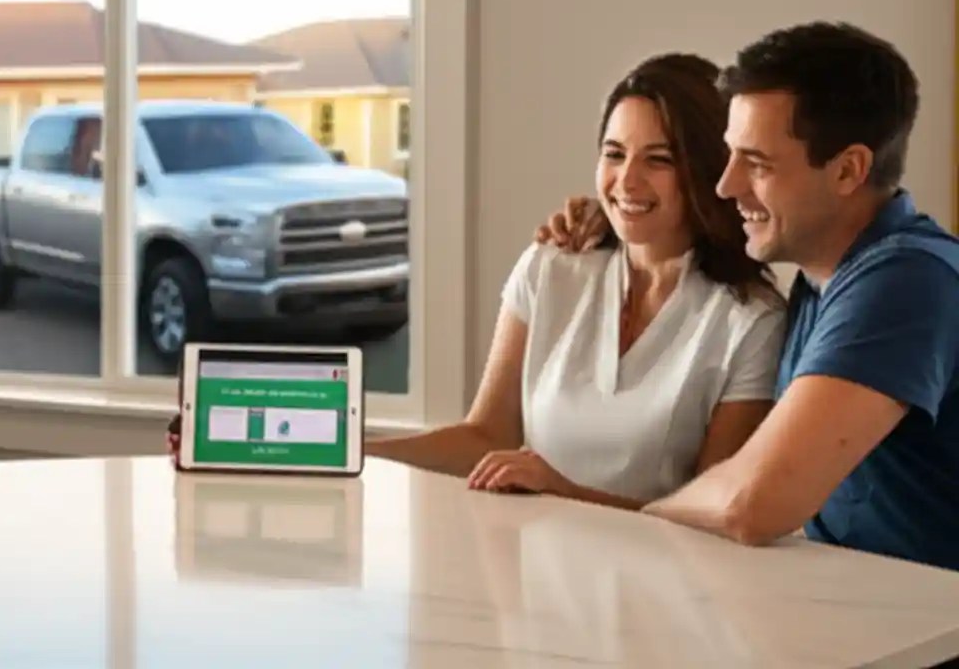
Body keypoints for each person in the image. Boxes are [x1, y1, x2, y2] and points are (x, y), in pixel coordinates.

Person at [250, 51, 779, 513]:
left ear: (709, 167)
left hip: (662, 601)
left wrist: (560, 490)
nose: (628, 180)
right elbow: (486, 437)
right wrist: (344, 452)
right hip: (532, 578)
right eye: (614, 154)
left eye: (659, 159)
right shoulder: (552, 266)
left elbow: (713, 517)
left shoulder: (750, 320)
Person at [536, 22, 959, 573]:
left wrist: (615, 515)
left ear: (848, 170)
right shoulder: (823, 279)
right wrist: (616, 222)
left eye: (756, 164)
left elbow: (751, 502)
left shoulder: (906, 279)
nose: (725, 185)